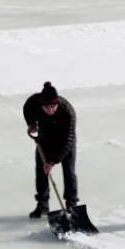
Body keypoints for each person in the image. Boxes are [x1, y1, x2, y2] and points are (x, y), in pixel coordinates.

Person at [23, 81, 78, 219]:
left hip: (65, 140)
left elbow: (68, 140)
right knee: (41, 171)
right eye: (47, 107)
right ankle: (42, 204)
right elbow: (27, 107)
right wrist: (31, 123)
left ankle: (71, 204)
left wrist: (53, 161)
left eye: (53, 106)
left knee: (69, 171)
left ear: (57, 103)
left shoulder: (67, 112)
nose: (50, 110)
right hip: (45, 137)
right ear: (41, 105)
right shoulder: (34, 102)